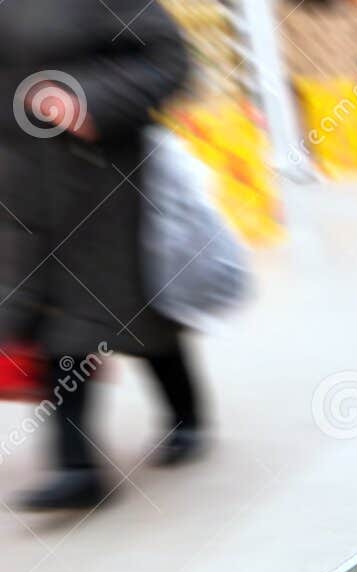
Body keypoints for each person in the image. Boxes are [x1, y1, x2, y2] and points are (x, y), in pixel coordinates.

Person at [0, 0, 207, 512]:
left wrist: (87, 99)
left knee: (131, 311)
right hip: (23, 186)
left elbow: (169, 59)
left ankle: (185, 416)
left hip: (101, 179)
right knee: (54, 319)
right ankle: (76, 467)